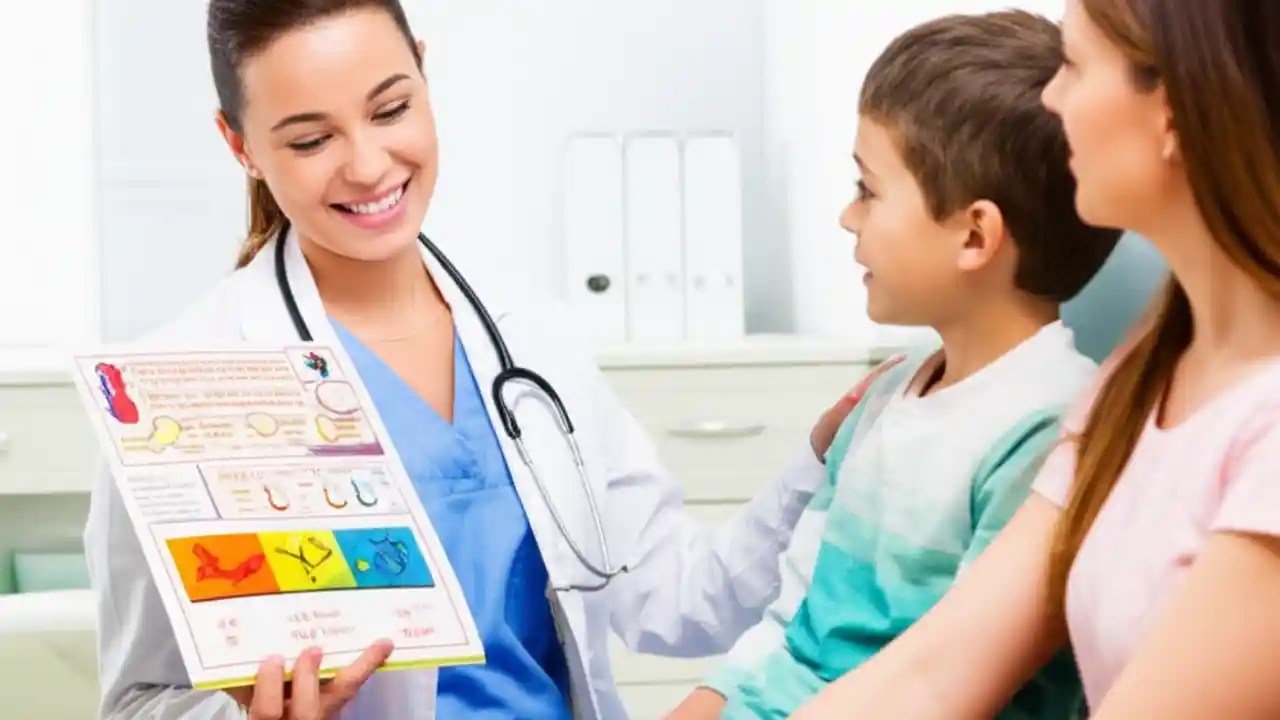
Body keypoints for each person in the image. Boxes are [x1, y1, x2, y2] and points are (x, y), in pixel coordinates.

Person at [81, 2, 868, 718]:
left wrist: (815, 467)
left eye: (391, 109)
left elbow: (679, 598)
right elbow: (137, 702)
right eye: (312, 139)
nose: (366, 164)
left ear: (424, 74)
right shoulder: (182, 385)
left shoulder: (535, 338)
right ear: (240, 145)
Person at [793, 0, 1280, 717]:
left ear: (1174, 108)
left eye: (1074, 67)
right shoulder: (1143, 372)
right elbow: (933, 674)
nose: (1051, 99)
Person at [666, 11, 1122, 719]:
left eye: (867, 190)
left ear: (974, 236)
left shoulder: (1045, 428)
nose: (848, 218)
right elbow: (788, 626)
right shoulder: (886, 396)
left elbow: (961, 685)